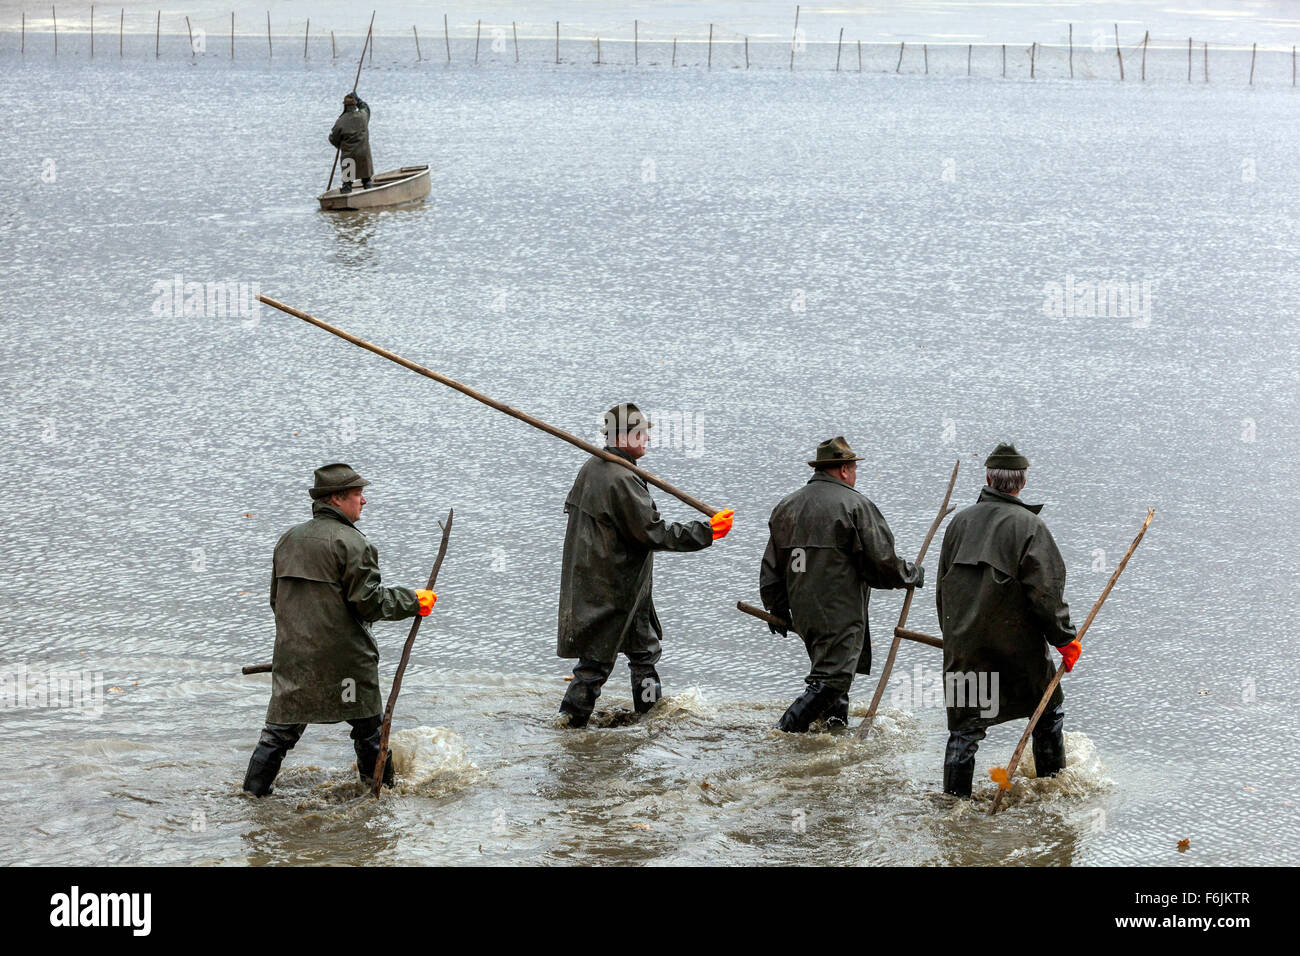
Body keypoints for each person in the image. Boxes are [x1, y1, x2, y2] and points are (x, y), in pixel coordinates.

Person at [241, 463, 437, 796]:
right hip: (347, 663)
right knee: (369, 733)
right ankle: (380, 797)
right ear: (336, 498)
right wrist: (413, 600)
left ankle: (250, 798)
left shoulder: (287, 539)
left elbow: (277, 601)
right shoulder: (353, 543)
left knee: (277, 736)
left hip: (295, 659)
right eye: (358, 494)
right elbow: (370, 604)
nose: (364, 501)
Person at [556, 403, 733, 727]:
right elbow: (651, 532)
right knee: (594, 665)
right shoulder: (619, 477)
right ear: (622, 436)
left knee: (644, 653)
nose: (647, 438)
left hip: (622, 586)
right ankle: (570, 724)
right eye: (640, 432)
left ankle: (649, 715)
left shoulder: (596, 468)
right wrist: (708, 532)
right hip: (611, 590)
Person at [935, 442, 1082, 798]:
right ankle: (1050, 790)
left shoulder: (959, 522)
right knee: (1046, 712)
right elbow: (1046, 593)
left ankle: (953, 807)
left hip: (965, 647)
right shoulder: (1030, 526)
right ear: (1022, 483)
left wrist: (953, 635)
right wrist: (1065, 639)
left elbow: (942, 589)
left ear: (988, 477)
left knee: (965, 730)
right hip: (1017, 652)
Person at [761, 436, 924, 732]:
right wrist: (912, 574)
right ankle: (781, 733)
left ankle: (834, 733)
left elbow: (772, 566)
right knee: (832, 679)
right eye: (854, 469)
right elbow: (882, 564)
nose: (855, 475)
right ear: (845, 470)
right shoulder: (856, 505)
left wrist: (776, 608)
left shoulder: (786, 506)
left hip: (805, 612)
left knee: (834, 678)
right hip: (839, 612)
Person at [329, 92, 373, 193]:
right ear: (355, 104)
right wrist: (359, 100)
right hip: (363, 154)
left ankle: (347, 191)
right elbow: (366, 108)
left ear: (345, 105)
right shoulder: (363, 116)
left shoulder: (341, 121)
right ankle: (369, 192)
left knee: (347, 183)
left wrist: (340, 146)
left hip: (348, 155)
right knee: (367, 181)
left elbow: (332, 138)